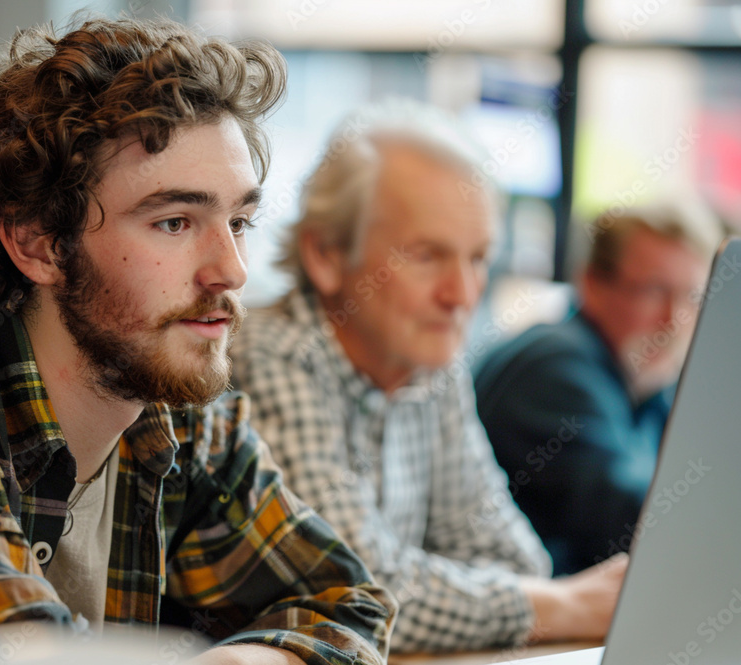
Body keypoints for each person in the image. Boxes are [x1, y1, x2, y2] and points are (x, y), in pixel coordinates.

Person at [0, 17, 396, 665]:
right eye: (174, 221)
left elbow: (347, 604)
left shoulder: (184, 421)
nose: (232, 269)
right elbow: (7, 656)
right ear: (38, 242)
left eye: (239, 220)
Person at [229, 99, 628, 653]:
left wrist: (515, 600)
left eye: (479, 258)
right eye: (427, 256)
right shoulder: (270, 353)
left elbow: (515, 562)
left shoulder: (431, 365)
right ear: (325, 252)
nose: (461, 295)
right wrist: (564, 605)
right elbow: (358, 588)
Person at [474, 205, 720, 575]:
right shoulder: (553, 366)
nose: (674, 320)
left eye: (692, 297)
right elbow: (638, 519)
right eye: (654, 290)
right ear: (591, 284)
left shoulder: (651, 386)